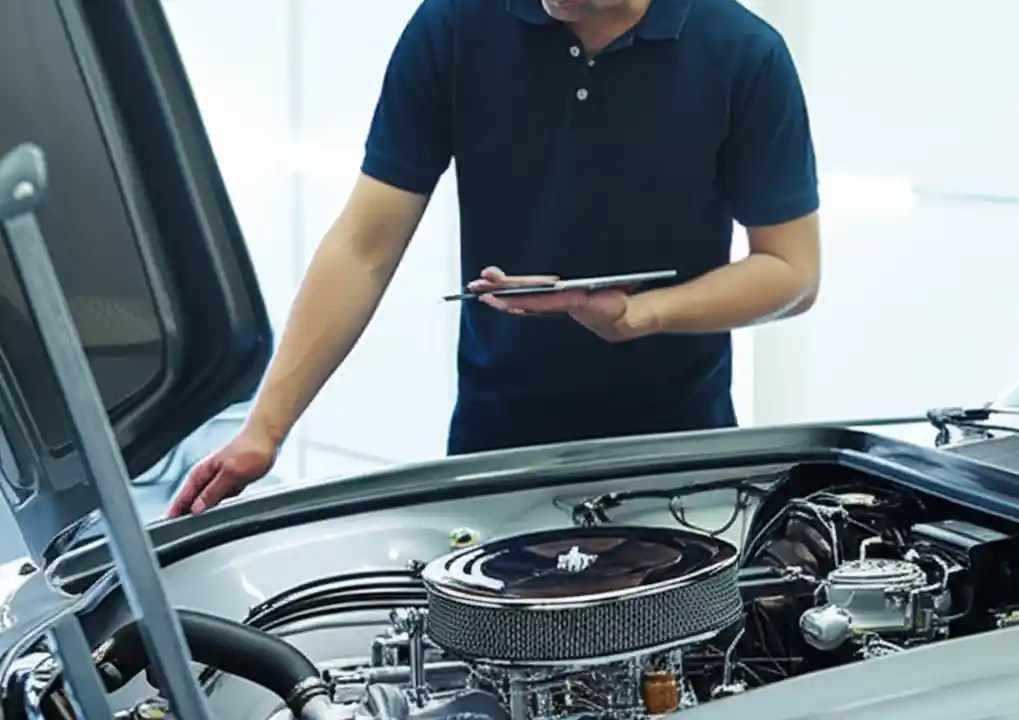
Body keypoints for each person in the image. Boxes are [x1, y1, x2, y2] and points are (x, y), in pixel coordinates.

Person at [166, 0, 821, 517]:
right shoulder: (453, 24)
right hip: (492, 453)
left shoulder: (745, 54)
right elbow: (363, 246)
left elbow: (792, 273)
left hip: (678, 460)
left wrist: (640, 315)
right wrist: (266, 428)